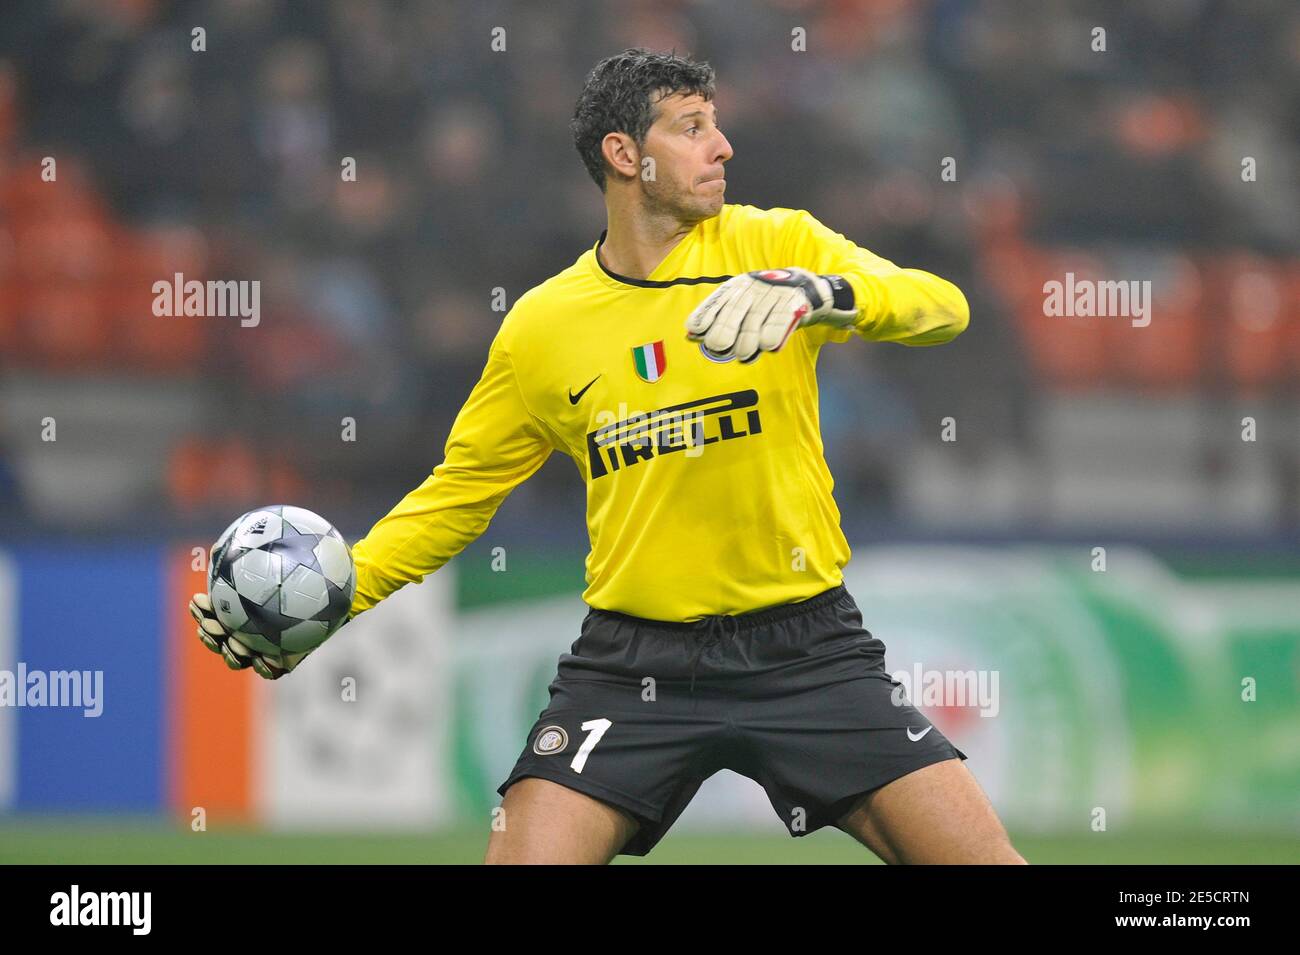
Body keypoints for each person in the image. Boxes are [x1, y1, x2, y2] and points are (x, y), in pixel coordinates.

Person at [191, 48, 1024, 865]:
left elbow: (941, 307)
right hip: (634, 667)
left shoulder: (777, 247)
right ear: (626, 156)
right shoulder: (543, 328)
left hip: (808, 652)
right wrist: (337, 596)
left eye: (717, 125)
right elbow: (457, 497)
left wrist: (825, 292)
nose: (722, 146)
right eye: (692, 127)